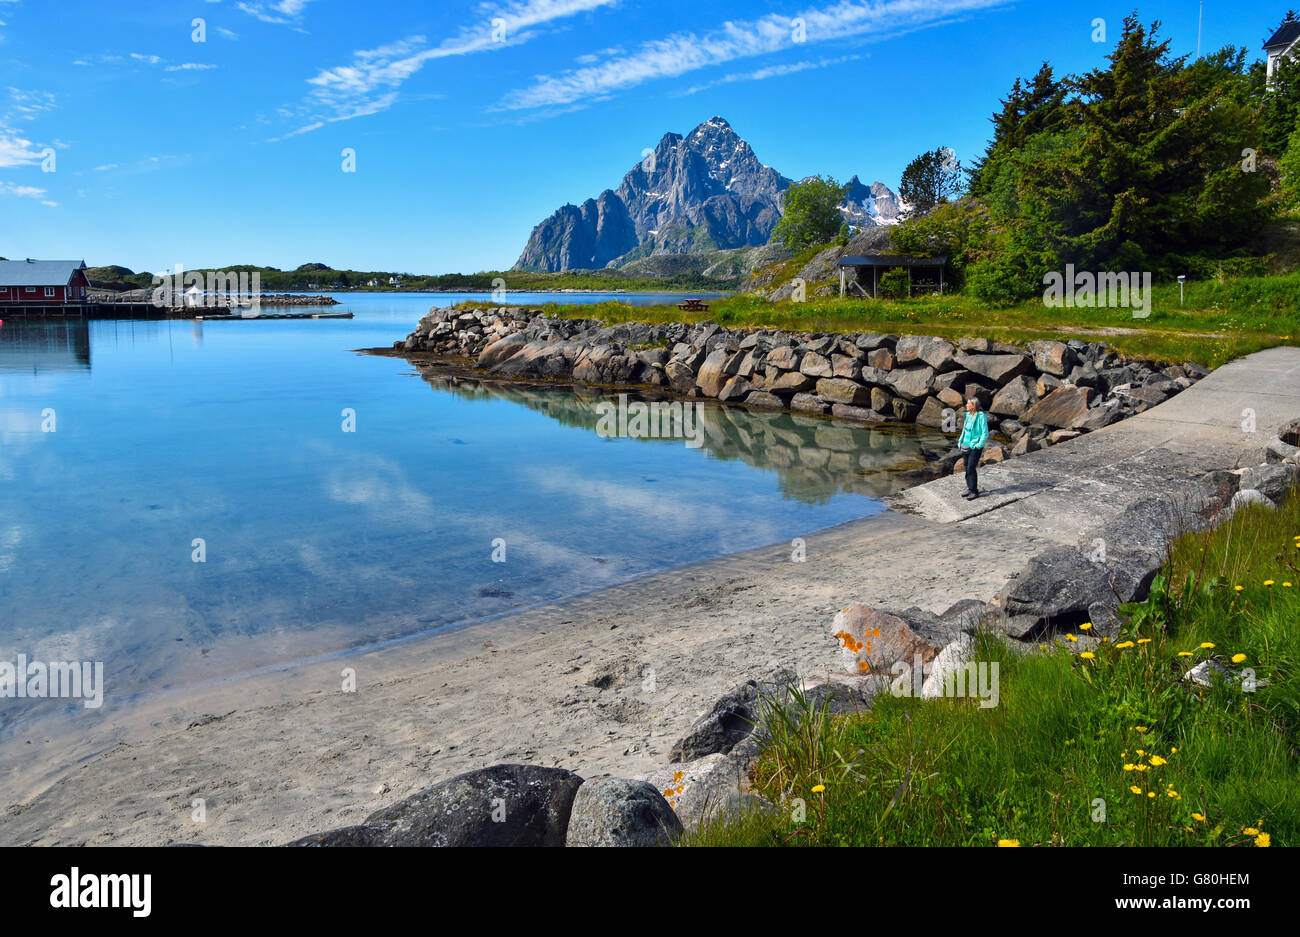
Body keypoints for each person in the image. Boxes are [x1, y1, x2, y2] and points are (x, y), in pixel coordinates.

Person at [957, 397, 988, 499]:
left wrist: (978, 445)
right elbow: (964, 431)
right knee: (966, 467)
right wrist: (960, 441)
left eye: (968, 404)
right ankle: (969, 488)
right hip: (965, 446)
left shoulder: (981, 416)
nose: (966, 405)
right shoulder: (968, 415)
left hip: (974, 447)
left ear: (973, 406)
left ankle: (974, 491)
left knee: (971, 468)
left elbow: (985, 433)